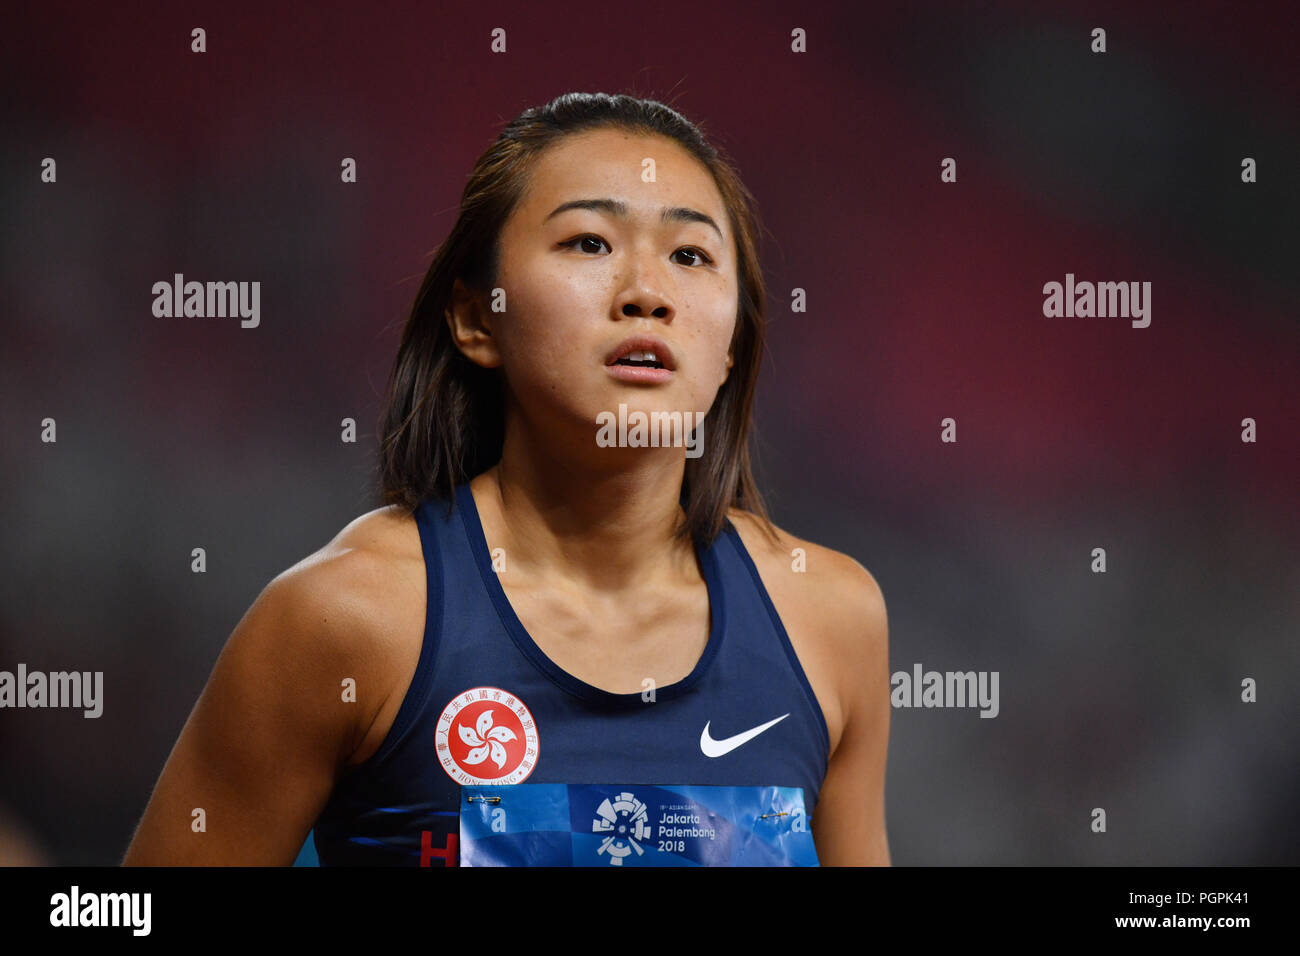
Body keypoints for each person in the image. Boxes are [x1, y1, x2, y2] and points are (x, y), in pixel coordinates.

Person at [123, 91, 890, 867]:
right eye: (590, 242)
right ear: (475, 318)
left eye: (690, 255)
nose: (647, 293)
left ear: (731, 347)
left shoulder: (828, 618)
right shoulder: (346, 618)